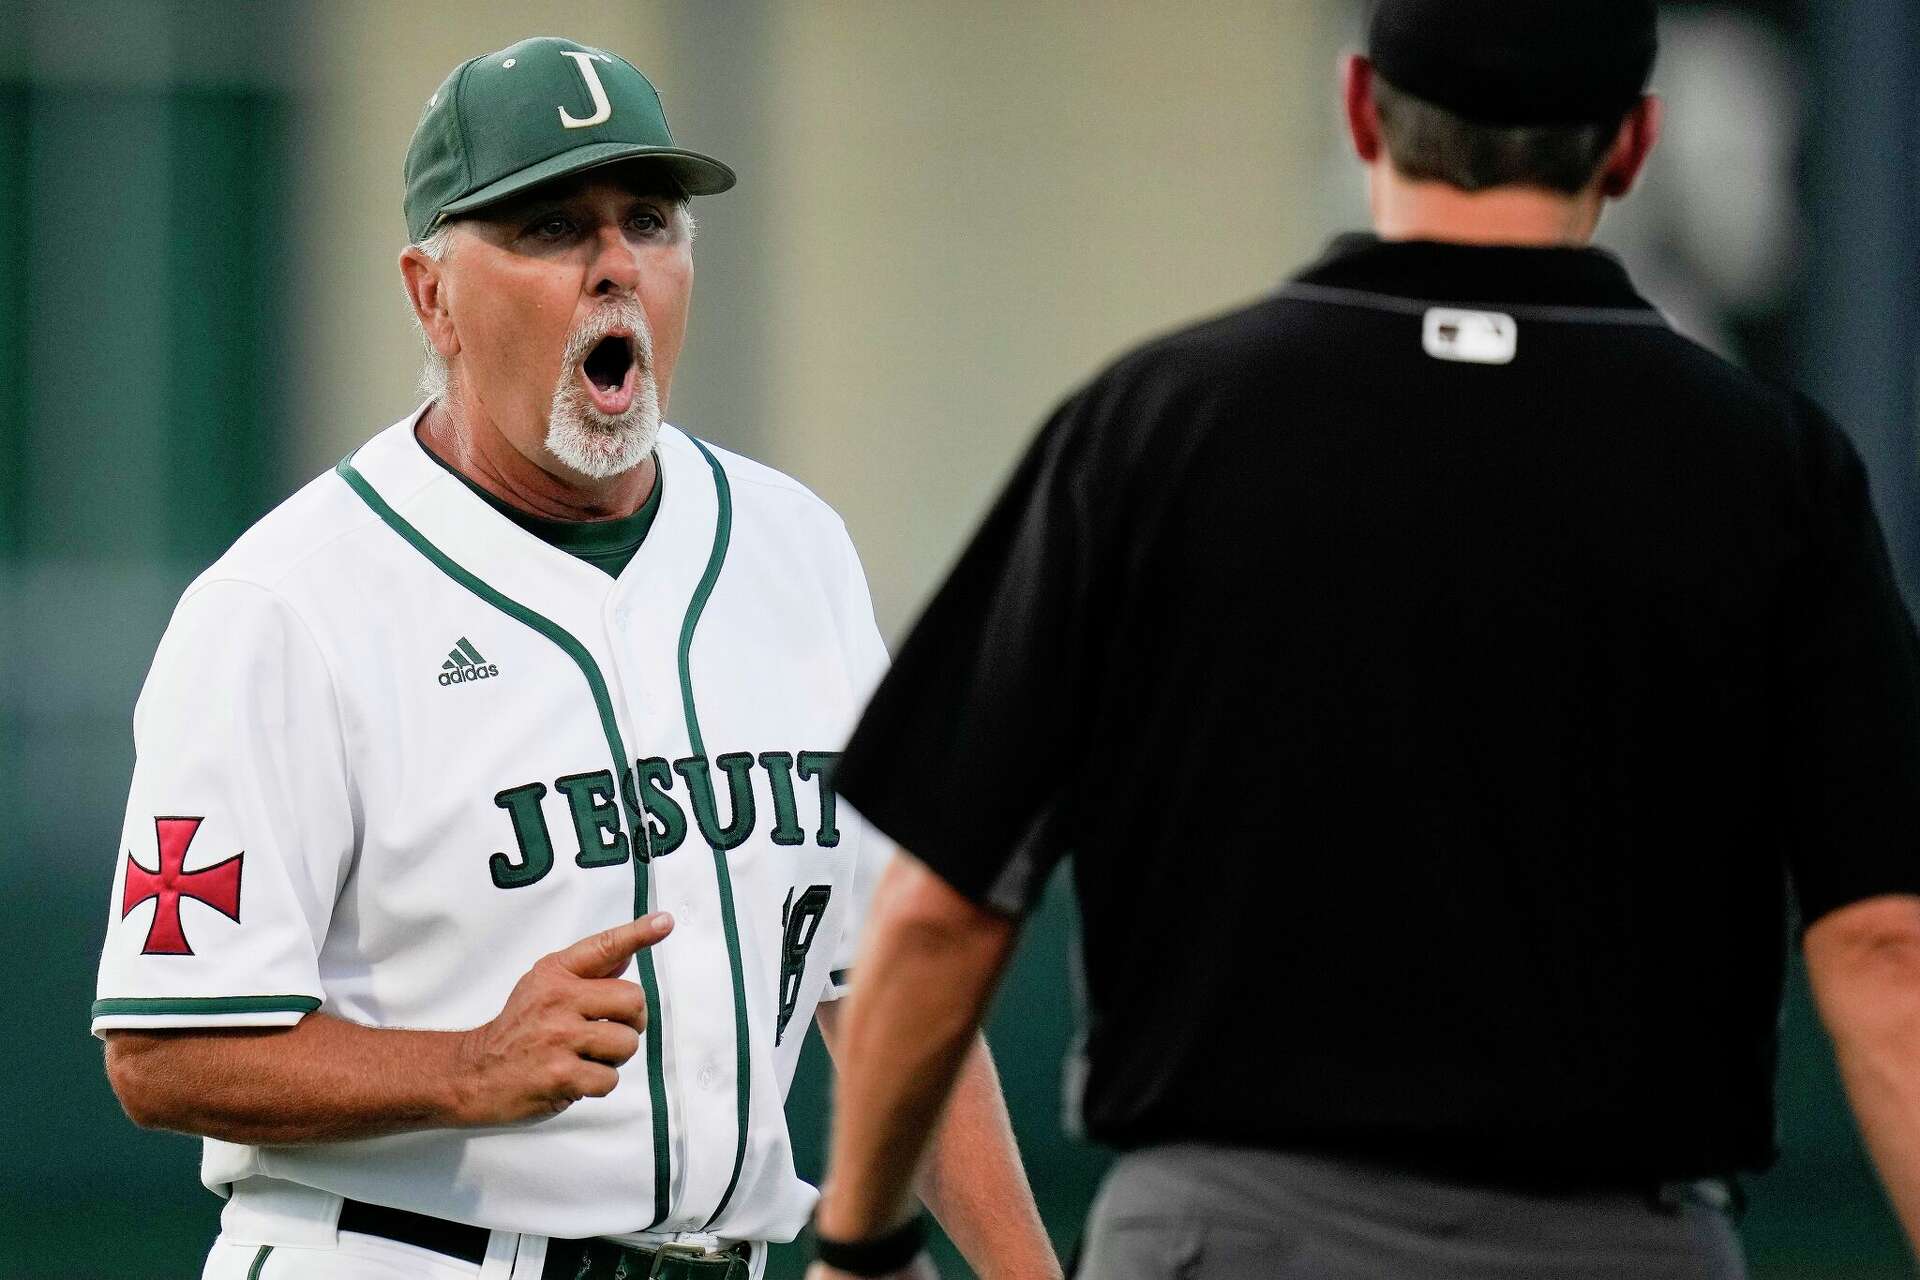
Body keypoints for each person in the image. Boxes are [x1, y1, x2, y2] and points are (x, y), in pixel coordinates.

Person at [807, 3, 1920, 1278]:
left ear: (1359, 110)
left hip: (1231, 1238)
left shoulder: (1155, 428)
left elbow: (941, 909)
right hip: (1619, 1245)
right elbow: (1887, 951)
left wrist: (862, 1236)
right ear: (1632, 144)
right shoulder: (1772, 472)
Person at [93, 36, 1057, 1280]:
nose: (615, 267)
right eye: (550, 227)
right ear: (430, 294)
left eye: (648, 220)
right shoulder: (286, 605)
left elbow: (881, 980)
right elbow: (164, 1046)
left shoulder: (793, 548)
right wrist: (465, 1065)